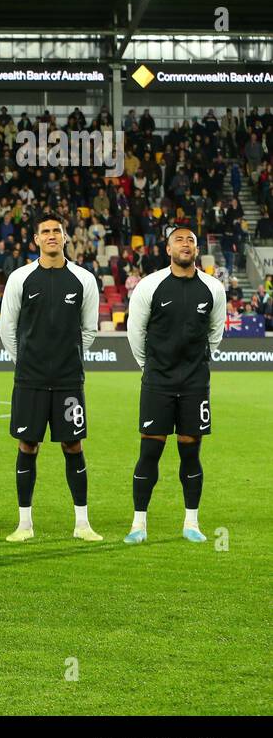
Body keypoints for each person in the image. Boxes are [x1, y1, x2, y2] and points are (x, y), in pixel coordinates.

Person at [0, 212, 104, 543]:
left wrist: (65, 358)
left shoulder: (84, 280)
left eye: (57, 231)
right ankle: (24, 524)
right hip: (29, 379)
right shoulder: (20, 278)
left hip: (69, 380)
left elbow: (89, 330)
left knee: (73, 445)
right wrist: (29, 361)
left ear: (66, 237)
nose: (51, 236)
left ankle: (83, 523)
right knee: (28, 445)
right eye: (45, 232)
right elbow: (7, 329)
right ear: (36, 240)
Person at [124, 225, 226, 544]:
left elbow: (215, 335)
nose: (186, 244)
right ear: (168, 249)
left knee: (191, 453)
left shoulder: (213, 288)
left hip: (196, 384)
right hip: (158, 382)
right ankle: (138, 524)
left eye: (191, 241)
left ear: (197, 250)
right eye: (179, 240)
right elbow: (135, 333)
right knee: (150, 451)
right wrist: (153, 367)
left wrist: (195, 366)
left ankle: (191, 523)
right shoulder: (149, 286)